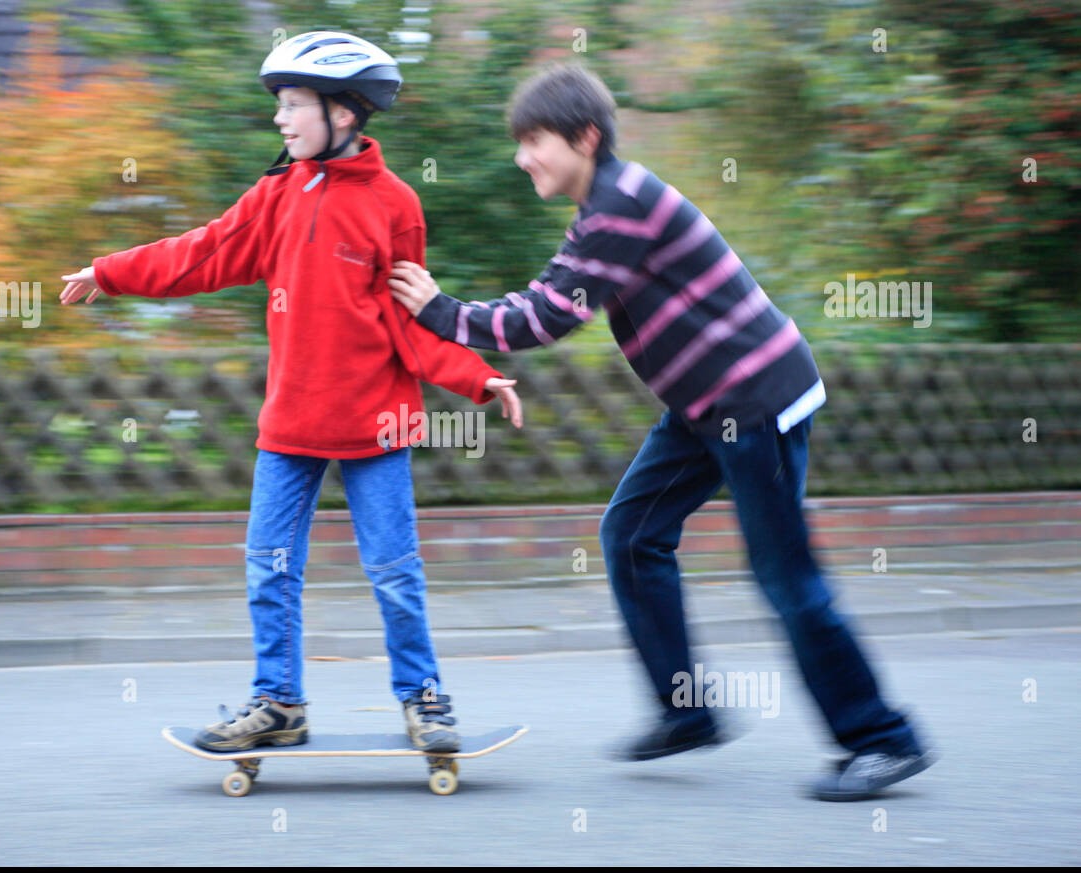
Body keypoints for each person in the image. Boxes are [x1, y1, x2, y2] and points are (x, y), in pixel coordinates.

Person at [388, 62, 935, 800]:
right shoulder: (606, 207)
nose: (523, 158)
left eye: (535, 141)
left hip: (753, 399)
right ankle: (686, 713)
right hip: (707, 406)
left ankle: (882, 739)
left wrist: (439, 309)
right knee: (632, 533)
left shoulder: (620, 207)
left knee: (784, 576)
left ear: (585, 137)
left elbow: (543, 316)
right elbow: (552, 297)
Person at [61, 32, 523, 755]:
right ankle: (278, 704)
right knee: (268, 569)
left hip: (377, 425)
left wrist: (478, 376)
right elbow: (201, 253)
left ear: (345, 114)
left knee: (396, 573)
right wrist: (110, 271)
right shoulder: (274, 196)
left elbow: (414, 322)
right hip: (290, 424)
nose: (281, 119)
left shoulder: (394, 205)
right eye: (280, 104)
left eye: (295, 104)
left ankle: (424, 701)